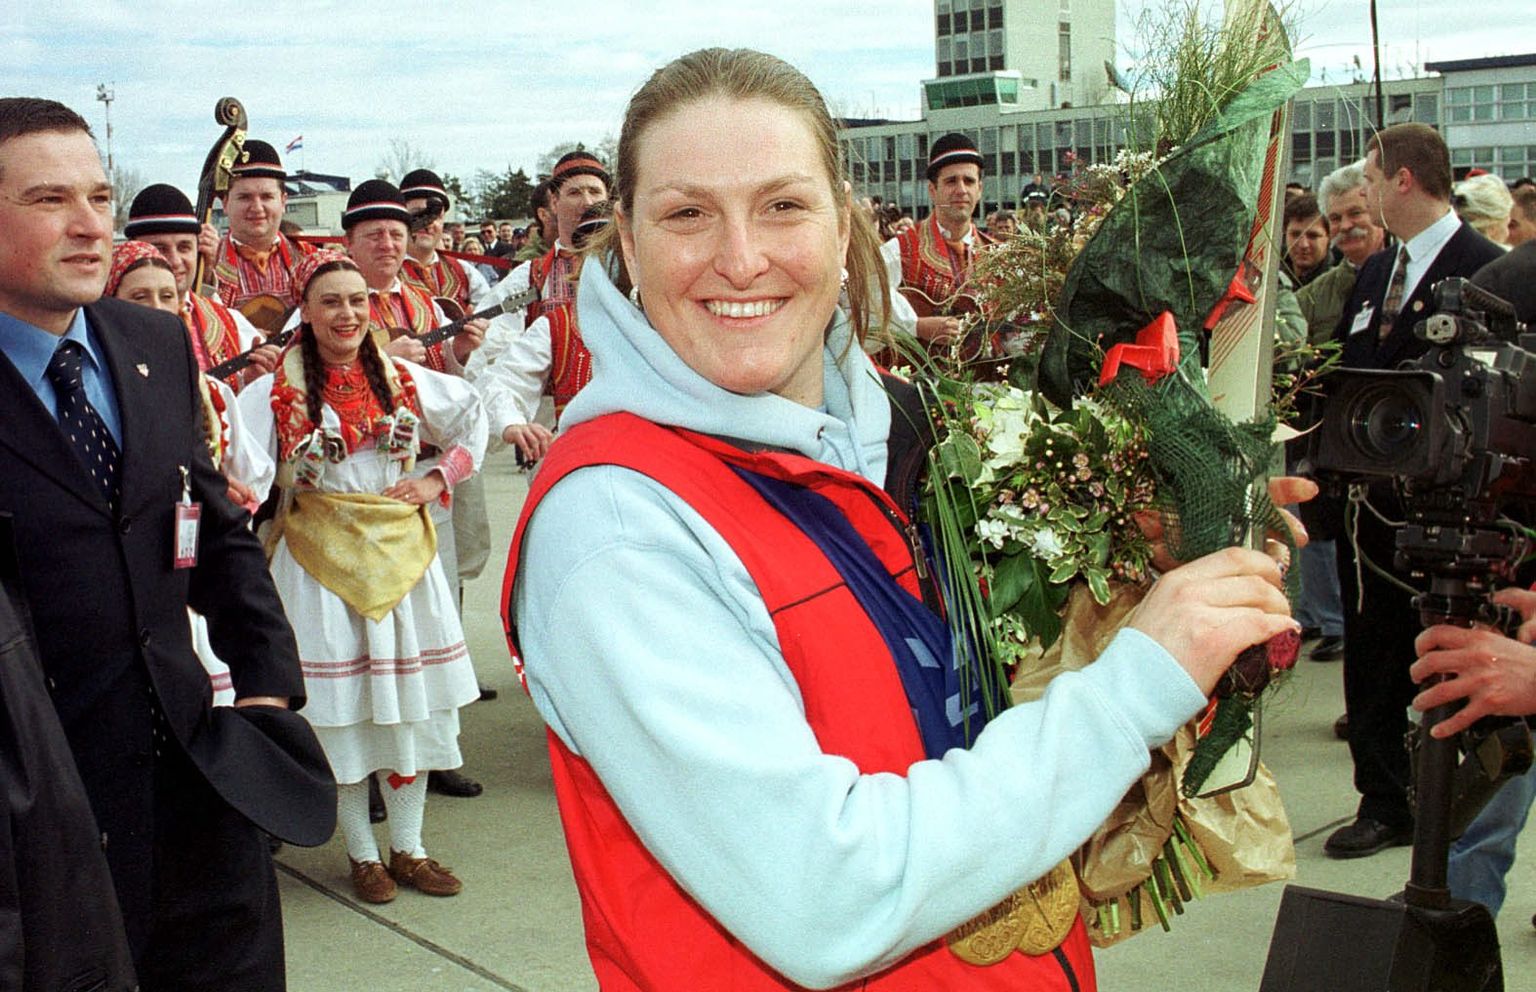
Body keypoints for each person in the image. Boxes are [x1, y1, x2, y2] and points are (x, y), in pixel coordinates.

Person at [503, 48, 1296, 991]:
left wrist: (1138, 573)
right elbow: (825, 896)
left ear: (846, 227)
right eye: (687, 214)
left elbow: (975, 699)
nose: (741, 257)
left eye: (782, 206)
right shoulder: (620, 526)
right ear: (628, 246)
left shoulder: (909, 431)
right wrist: (1140, 679)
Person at [0, 96, 333, 989]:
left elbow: (215, 527)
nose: (88, 227)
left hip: (203, 778)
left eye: (100, 199)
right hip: (46, 823)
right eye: (48, 201)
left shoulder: (150, 341)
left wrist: (268, 687)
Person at [239, 251, 486, 904]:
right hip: (319, 561)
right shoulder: (274, 391)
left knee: (405, 712)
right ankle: (363, 854)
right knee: (343, 717)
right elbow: (237, 458)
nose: (346, 313)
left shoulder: (401, 377)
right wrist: (277, 486)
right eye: (330, 301)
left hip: (402, 557)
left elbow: (472, 416)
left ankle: (411, 848)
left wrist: (439, 475)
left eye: (356, 300)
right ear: (307, 312)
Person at [1322, 122, 1506, 860]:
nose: (1362, 194)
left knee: (1449, 655)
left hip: (1454, 507)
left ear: (1402, 179)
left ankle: (1457, 800)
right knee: (1370, 654)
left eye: (1370, 179)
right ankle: (1382, 798)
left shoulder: (1490, 268)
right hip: (1371, 506)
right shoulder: (1374, 272)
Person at [477, 202, 611, 464]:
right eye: (594, 256)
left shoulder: (669, 322)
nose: (606, 267)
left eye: (614, 254)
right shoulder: (556, 325)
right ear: (579, 265)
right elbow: (499, 381)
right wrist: (512, 423)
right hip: (577, 471)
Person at [126, 183, 280, 388]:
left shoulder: (230, 322)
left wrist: (252, 383)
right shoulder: (109, 324)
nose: (175, 260)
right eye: (160, 249)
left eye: (184, 247)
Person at [885, 132, 997, 346]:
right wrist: (916, 326)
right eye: (951, 181)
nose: (961, 190)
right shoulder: (899, 250)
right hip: (917, 377)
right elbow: (865, 303)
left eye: (969, 181)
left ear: (980, 190)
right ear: (933, 190)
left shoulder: (997, 254)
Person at [199, 139, 315, 325]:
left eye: (267, 196)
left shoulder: (311, 259)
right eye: (244, 197)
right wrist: (205, 276)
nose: (257, 207)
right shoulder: (206, 263)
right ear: (226, 203)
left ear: (283, 201)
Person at [400, 168, 492, 313]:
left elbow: (492, 318)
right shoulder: (383, 274)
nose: (428, 223)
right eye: (417, 214)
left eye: (436, 216)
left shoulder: (464, 272)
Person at [1281, 192, 1332, 288]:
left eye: (1313, 236)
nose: (1303, 244)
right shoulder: (1270, 276)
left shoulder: (1337, 286)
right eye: (1295, 235)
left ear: (1329, 236)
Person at [1453, 173, 1514, 246]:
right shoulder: (1510, 256)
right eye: (1507, 225)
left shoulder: (1442, 249)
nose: (1507, 233)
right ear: (1492, 228)